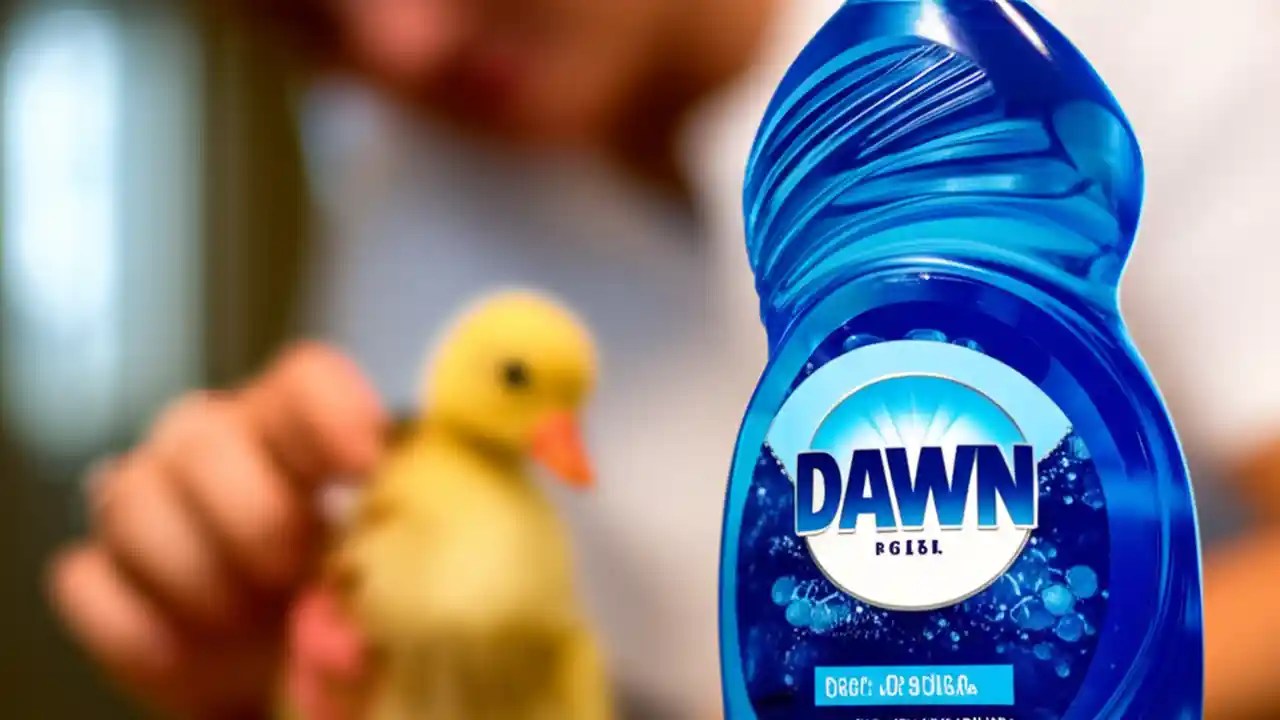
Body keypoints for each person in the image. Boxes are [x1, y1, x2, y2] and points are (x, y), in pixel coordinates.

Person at [44, 0, 1280, 717]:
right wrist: (299, 664)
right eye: (299, 9)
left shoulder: (1117, 36)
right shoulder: (405, 189)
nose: (398, 41)